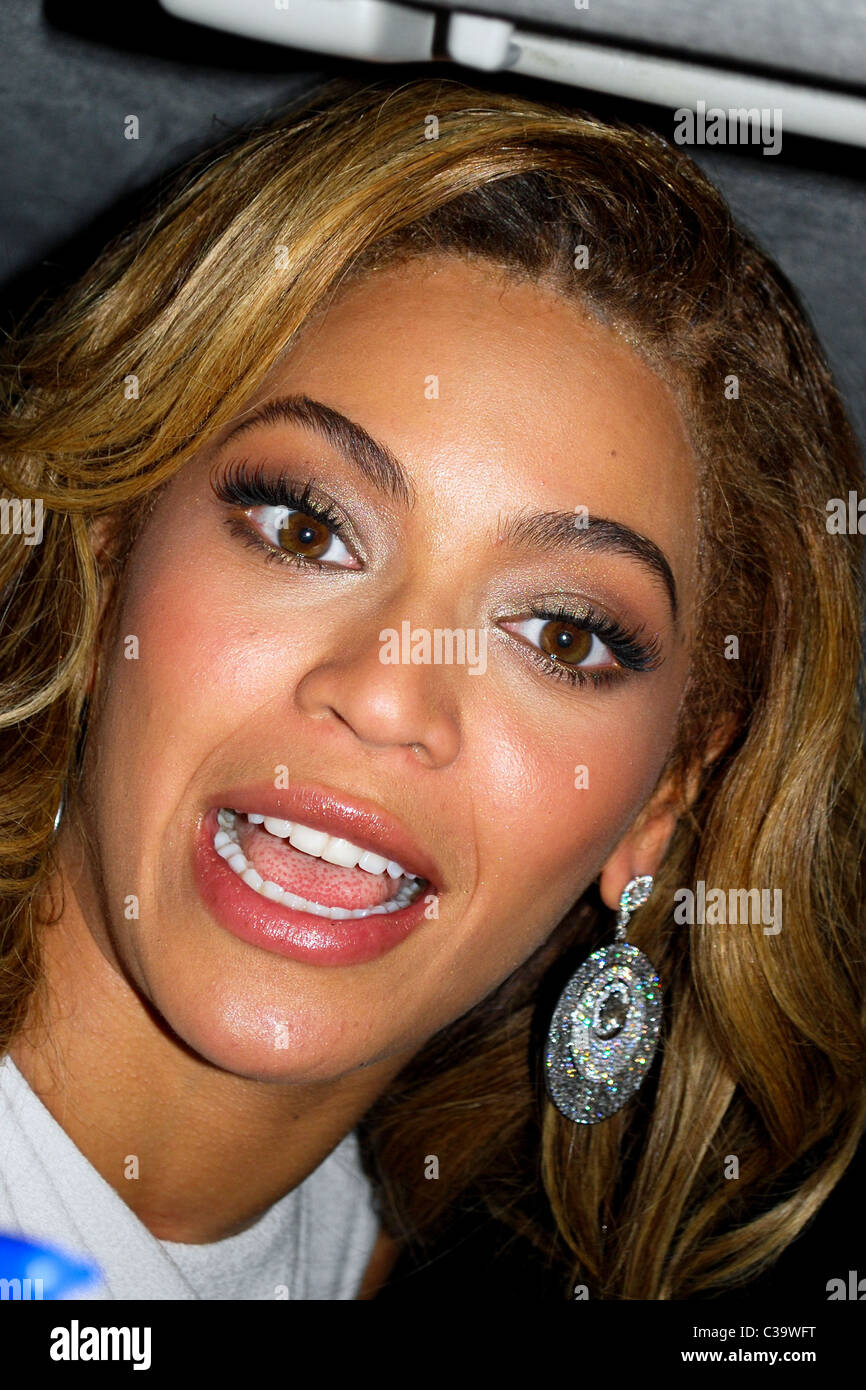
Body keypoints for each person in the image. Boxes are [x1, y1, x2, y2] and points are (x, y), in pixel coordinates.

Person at [0, 76, 863, 1302]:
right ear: (108, 546)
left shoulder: (366, 1239)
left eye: (558, 636)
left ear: (663, 801)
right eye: (307, 530)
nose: (389, 697)